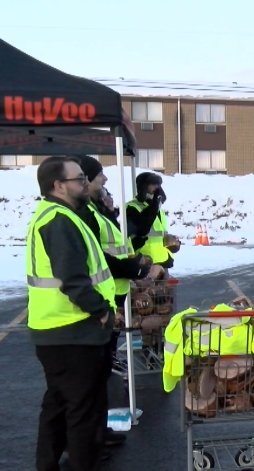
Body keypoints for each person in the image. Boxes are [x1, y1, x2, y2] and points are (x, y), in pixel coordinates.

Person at [25, 155, 128, 471]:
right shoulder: (58, 221)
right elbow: (73, 279)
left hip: (56, 332)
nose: (85, 183)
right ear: (58, 185)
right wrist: (100, 311)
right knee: (84, 413)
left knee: (57, 409)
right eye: (78, 178)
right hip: (72, 332)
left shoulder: (61, 216)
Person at [76, 155, 152, 447]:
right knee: (87, 379)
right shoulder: (82, 216)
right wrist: (132, 268)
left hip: (112, 292)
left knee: (98, 372)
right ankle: (87, 443)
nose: (105, 181)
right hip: (95, 304)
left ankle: (95, 432)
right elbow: (96, 259)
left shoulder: (96, 212)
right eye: (99, 177)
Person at [126, 172, 175, 269]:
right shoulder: (132, 207)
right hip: (144, 261)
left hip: (162, 261)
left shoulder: (158, 209)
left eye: (158, 185)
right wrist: (154, 205)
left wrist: (172, 243)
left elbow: (160, 235)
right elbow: (143, 226)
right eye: (153, 184)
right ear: (144, 187)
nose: (157, 188)